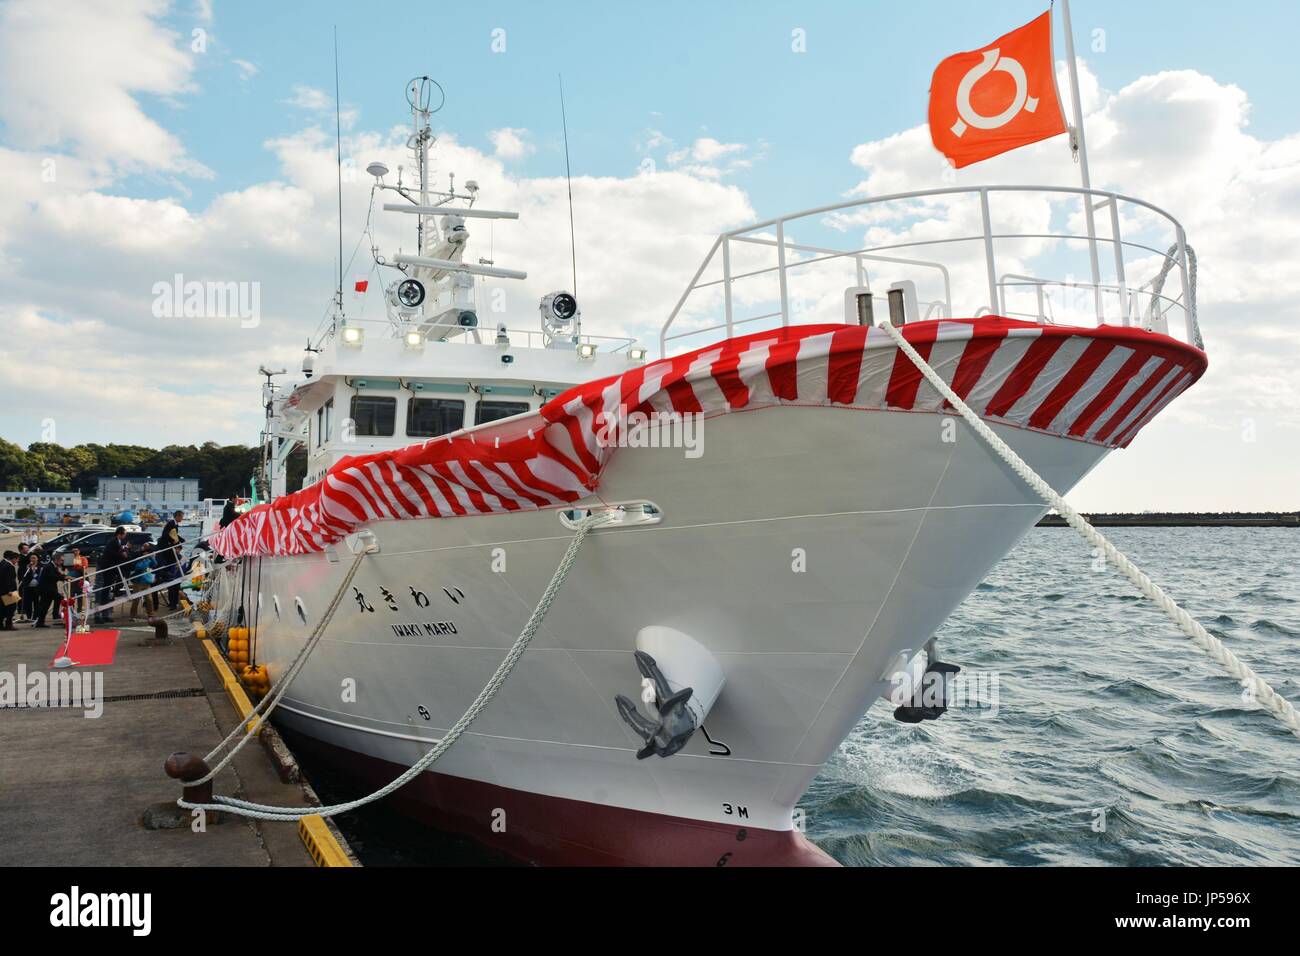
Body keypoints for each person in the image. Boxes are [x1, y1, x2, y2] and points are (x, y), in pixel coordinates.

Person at [95, 526, 131, 625]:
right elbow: (112, 553)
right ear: (120, 534)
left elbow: (117, 552)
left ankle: (106, 614)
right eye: (124, 534)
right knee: (104, 589)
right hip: (108, 567)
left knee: (108, 589)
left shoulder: (117, 541)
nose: (125, 535)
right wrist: (122, 554)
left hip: (111, 568)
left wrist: (124, 550)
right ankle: (101, 614)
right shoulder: (113, 541)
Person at [156, 511, 185, 610]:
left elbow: (174, 535)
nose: (182, 519)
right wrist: (173, 543)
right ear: (177, 516)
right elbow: (169, 535)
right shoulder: (171, 524)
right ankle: (167, 573)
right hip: (166, 546)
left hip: (168, 546)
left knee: (173, 585)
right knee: (170, 561)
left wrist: (180, 540)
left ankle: (172, 604)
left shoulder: (174, 524)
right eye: (181, 517)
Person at [32, 553, 66, 628]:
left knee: (45, 606)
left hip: (49, 589)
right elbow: (53, 577)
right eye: (61, 560)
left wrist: (65, 576)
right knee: (61, 599)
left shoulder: (53, 566)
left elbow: (58, 574)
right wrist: (64, 578)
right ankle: (59, 616)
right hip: (46, 589)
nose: (62, 562)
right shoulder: (49, 567)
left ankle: (40, 622)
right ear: (56, 560)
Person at [129, 544, 158, 617]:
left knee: (149, 599)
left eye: (147, 552)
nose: (146, 553)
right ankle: (133, 614)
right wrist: (145, 561)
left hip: (146, 581)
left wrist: (151, 557)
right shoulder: (138, 560)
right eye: (145, 552)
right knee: (136, 599)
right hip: (137, 582)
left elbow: (155, 565)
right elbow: (138, 567)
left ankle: (150, 614)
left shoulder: (149, 559)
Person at [0, 550, 19, 631]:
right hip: (8, 591)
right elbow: (7, 580)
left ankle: (2, 624)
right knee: (11, 608)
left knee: (3, 608)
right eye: (17, 560)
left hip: (5, 590)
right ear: (13, 559)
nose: (17, 562)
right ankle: (9, 624)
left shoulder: (5, 564)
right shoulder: (8, 566)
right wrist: (9, 590)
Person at [19, 552, 40, 622]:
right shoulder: (27, 567)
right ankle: (29, 616)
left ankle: (35, 616)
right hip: (28, 587)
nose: (33, 559)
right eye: (31, 558)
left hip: (37, 587)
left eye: (34, 558)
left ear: (37, 559)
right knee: (28, 602)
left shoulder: (40, 567)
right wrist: (28, 569)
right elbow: (23, 576)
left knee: (36, 602)